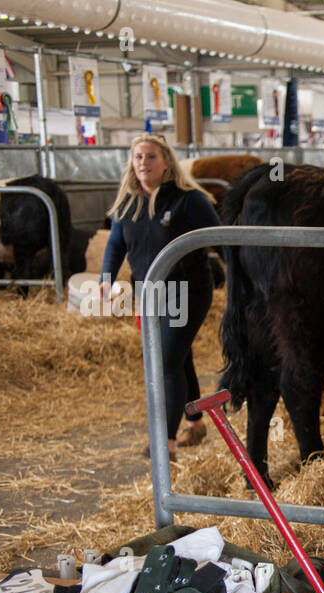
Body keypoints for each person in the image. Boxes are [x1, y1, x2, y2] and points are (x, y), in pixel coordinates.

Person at [100, 134, 221, 460]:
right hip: (149, 292)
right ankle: (195, 423)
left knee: (166, 360)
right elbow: (115, 244)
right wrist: (106, 279)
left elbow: (220, 239)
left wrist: (241, 279)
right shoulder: (128, 201)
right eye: (138, 157)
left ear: (167, 162)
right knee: (179, 358)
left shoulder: (188, 199)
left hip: (187, 291)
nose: (143, 162)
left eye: (151, 156)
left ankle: (165, 443)